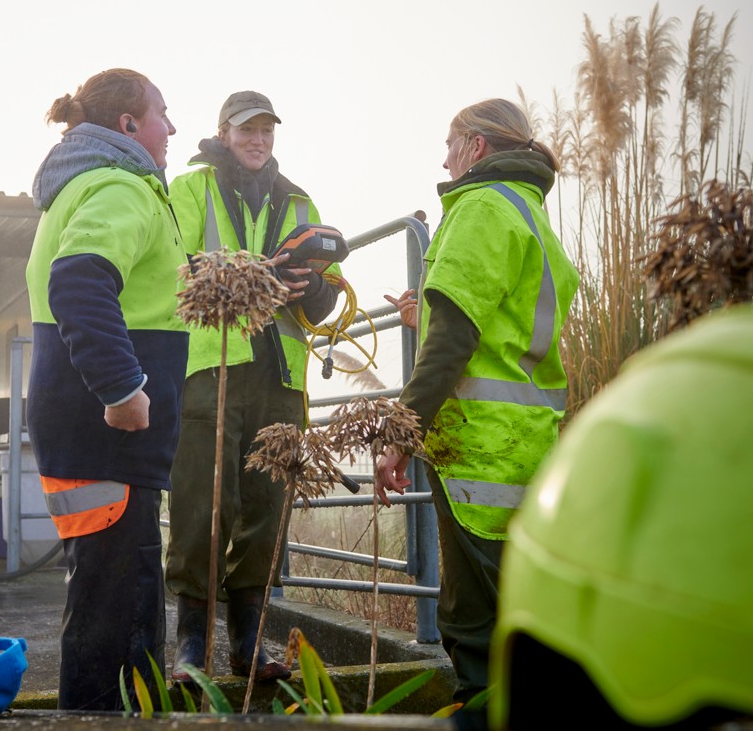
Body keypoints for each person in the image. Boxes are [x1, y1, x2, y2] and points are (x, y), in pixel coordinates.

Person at [375, 98, 578, 706]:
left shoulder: (481, 207)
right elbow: (503, 327)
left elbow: (455, 343)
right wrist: (427, 310)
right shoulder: (531, 215)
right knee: (518, 607)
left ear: (477, 148)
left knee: (472, 620)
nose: (444, 157)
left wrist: (400, 432)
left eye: (451, 142)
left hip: (476, 447)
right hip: (527, 443)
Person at [164, 90, 342, 682]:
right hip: (210, 369)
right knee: (201, 505)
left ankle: (248, 645)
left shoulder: (300, 201)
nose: (258, 139)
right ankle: (191, 647)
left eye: (266, 129)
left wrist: (314, 292)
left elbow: (333, 288)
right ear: (223, 133)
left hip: (281, 377)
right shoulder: (189, 190)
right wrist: (242, 277)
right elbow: (167, 264)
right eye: (247, 129)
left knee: (267, 510)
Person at [24, 68, 187, 711]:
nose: (172, 128)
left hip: (92, 438)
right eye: (163, 113)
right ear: (128, 126)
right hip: (109, 436)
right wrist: (122, 388)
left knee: (105, 602)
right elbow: (80, 283)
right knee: (118, 619)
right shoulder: (122, 187)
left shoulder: (84, 186)